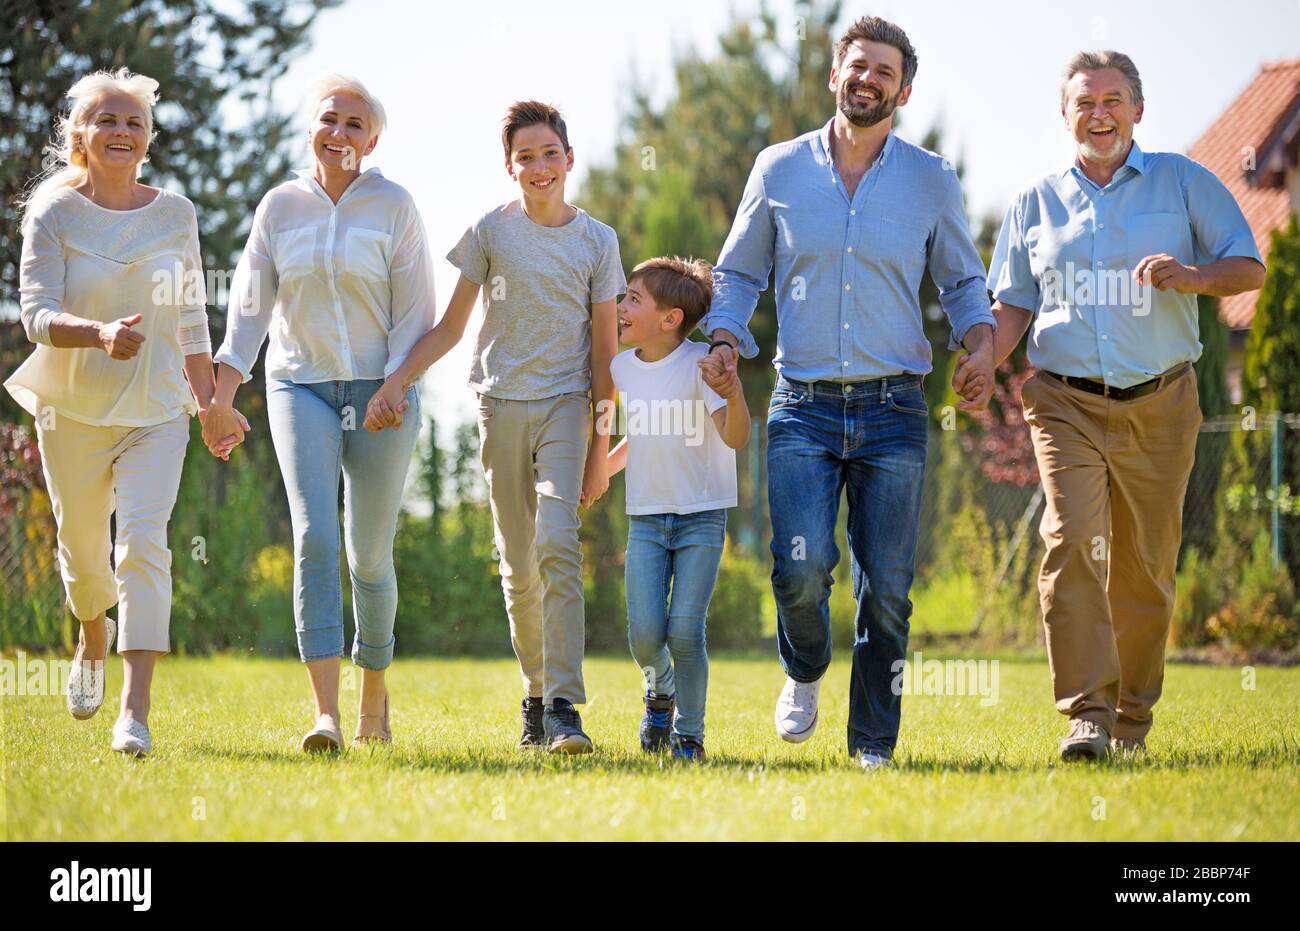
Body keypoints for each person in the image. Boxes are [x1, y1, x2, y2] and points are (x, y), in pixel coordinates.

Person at [698, 16, 995, 769]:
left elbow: (962, 281)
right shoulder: (778, 169)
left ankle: (872, 744)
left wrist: (981, 345)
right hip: (802, 404)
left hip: (895, 406)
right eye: (857, 65)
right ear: (835, 74)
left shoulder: (931, 179)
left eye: (884, 71)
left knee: (888, 588)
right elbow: (737, 272)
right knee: (800, 569)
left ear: (902, 88)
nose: (868, 79)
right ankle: (803, 669)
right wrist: (726, 336)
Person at [959, 50, 1266, 761]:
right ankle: (1086, 716)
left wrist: (1188, 275)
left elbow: (1249, 264)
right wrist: (983, 358)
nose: (1099, 113)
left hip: (1161, 401)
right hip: (1064, 401)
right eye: (1084, 102)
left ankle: (1132, 718)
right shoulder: (1036, 201)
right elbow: (1013, 305)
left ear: (1137, 109)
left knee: (1145, 568)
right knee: (1069, 543)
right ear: (1064, 114)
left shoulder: (1183, 182)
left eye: (1113, 99)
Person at [366, 101, 624, 754]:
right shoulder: (490, 232)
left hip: (569, 404)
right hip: (499, 406)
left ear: (570, 159)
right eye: (525, 157)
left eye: (549, 154)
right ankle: (534, 695)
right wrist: (397, 378)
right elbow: (452, 329)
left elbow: (604, 357)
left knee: (558, 543)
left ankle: (566, 707)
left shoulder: (597, 241)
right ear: (509, 168)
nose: (539, 167)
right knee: (518, 563)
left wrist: (600, 448)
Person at [4, 68, 244, 757]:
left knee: (143, 543)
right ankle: (91, 634)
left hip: (156, 406)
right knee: (82, 551)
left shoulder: (176, 214)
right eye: (107, 120)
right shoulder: (54, 212)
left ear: (148, 140)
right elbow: (35, 315)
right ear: (80, 135)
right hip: (72, 407)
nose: (120, 131)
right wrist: (99, 333)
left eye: (133, 122)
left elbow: (193, 321)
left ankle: (135, 711)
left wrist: (210, 405)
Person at [208, 74, 436, 752]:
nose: (339, 133)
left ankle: (374, 691)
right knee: (313, 535)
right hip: (298, 384)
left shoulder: (394, 206)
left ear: (372, 139)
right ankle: (325, 713)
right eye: (329, 119)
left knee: (367, 551)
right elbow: (248, 309)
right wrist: (220, 396)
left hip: (380, 389)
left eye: (354, 124)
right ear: (311, 128)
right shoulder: (280, 208)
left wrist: (396, 384)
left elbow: (416, 312)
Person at [605, 257, 750, 761]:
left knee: (686, 630)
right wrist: (602, 470)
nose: (621, 307)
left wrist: (733, 395)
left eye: (633, 300)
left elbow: (735, 437)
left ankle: (689, 735)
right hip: (645, 518)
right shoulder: (621, 368)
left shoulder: (700, 365)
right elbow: (640, 434)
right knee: (646, 636)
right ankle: (659, 691)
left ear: (670, 319)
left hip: (701, 517)